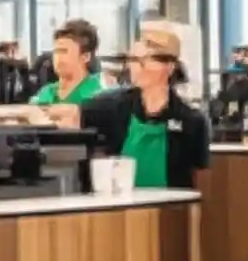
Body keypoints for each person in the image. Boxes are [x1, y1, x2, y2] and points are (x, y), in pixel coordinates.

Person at [80, 28, 209, 189]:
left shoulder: (191, 121)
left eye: (143, 60)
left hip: (171, 209)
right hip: (121, 208)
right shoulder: (110, 107)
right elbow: (75, 115)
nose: (135, 68)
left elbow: (199, 181)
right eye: (132, 60)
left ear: (169, 67)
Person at [31, 19, 105, 106]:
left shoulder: (98, 96)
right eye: (56, 51)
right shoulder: (46, 93)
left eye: (64, 51)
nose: (58, 57)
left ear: (85, 57)